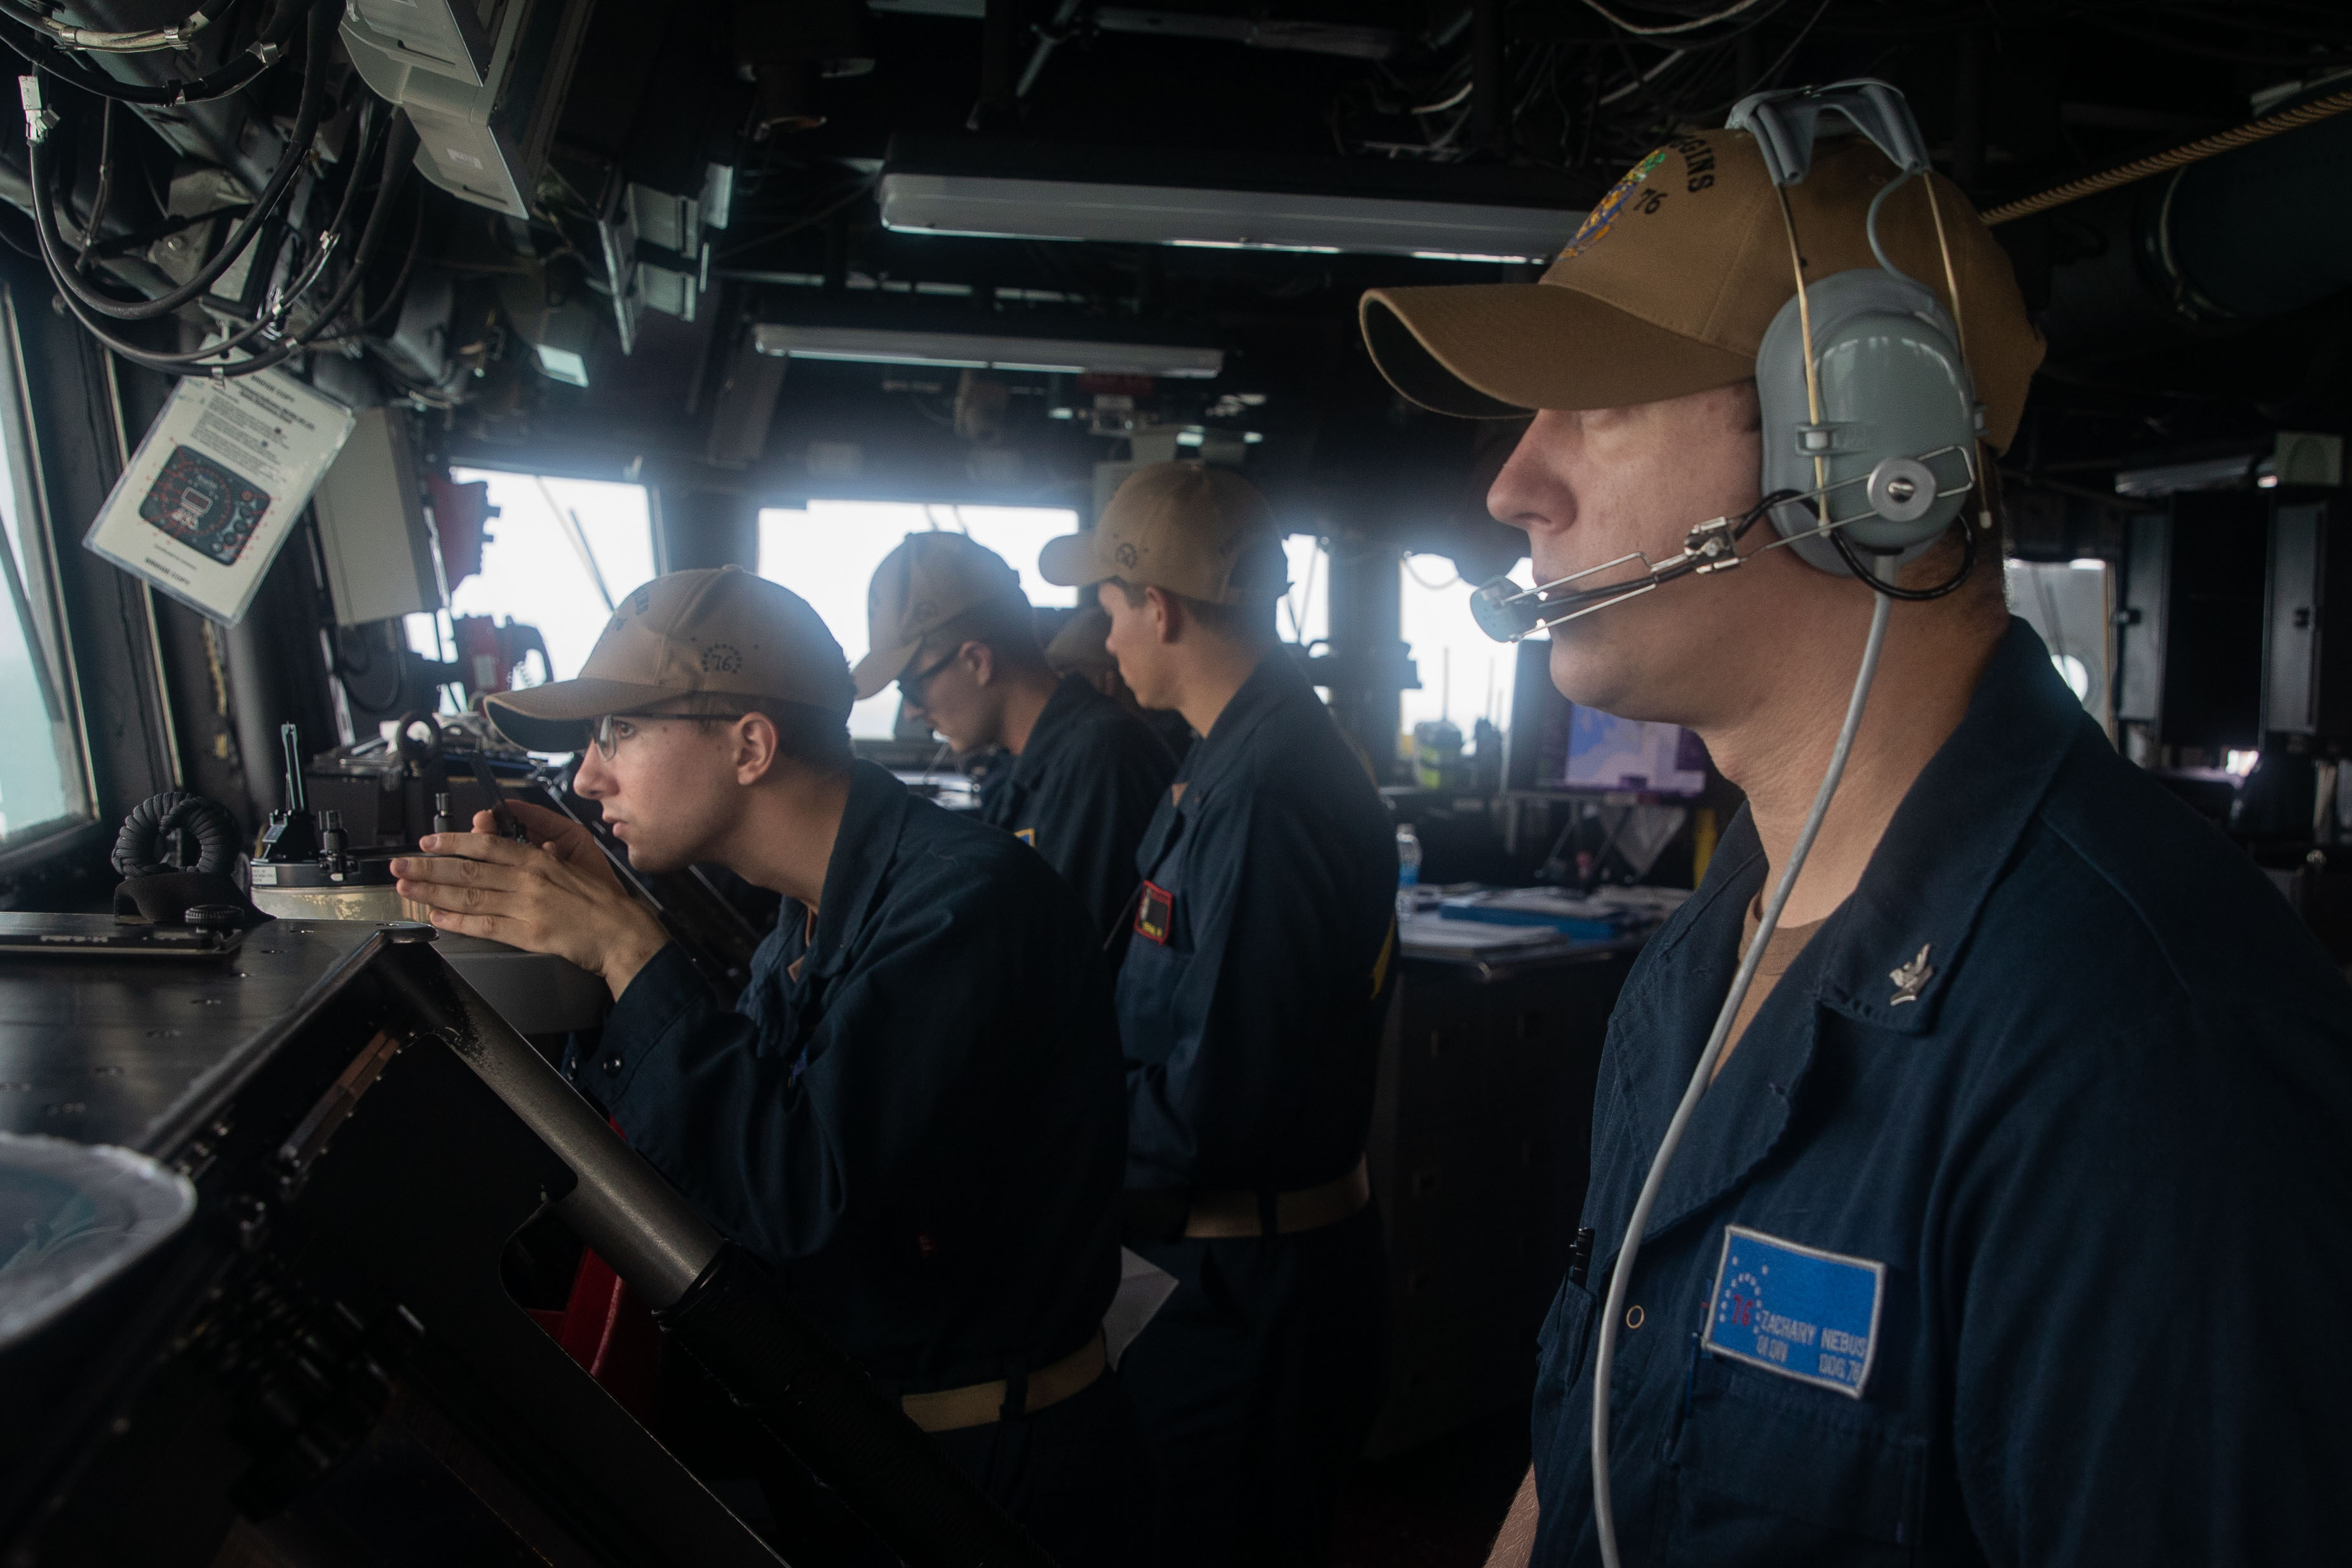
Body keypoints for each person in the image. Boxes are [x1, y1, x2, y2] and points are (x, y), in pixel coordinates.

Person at [1357, 118, 2352, 1564]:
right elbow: (1593, 1442)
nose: (1513, 484)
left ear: (1863, 445)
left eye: (1598, 403)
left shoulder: (2147, 1054)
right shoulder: (1705, 956)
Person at [389, 565, 1145, 1565]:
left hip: (975, 1479)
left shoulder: (962, 910)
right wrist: (605, 934)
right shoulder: (821, 908)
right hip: (870, 1443)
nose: (588, 777)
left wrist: (628, 949)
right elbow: (729, 1160)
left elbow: (801, 1202)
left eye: (620, 731)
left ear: (750, 745)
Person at [1036, 463, 1399, 1566]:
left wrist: (1031, 1145)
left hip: (1249, 1295)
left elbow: (1220, 1103)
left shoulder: (1268, 787)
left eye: (1108, 607)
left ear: (1158, 607)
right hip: (1208, 1269)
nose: (1103, 638)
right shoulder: (1229, 752)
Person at [853, 531, 1175, 939]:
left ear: (977, 661)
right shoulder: (1031, 768)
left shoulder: (1101, 761)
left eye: (912, 689)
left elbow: (1057, 953)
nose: (912, 713)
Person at [1047, 601, 1198, 766]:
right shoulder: (1189, 744)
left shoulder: (1107, 752)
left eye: (1067, 676)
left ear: (1106, 683)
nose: (1060, 689)